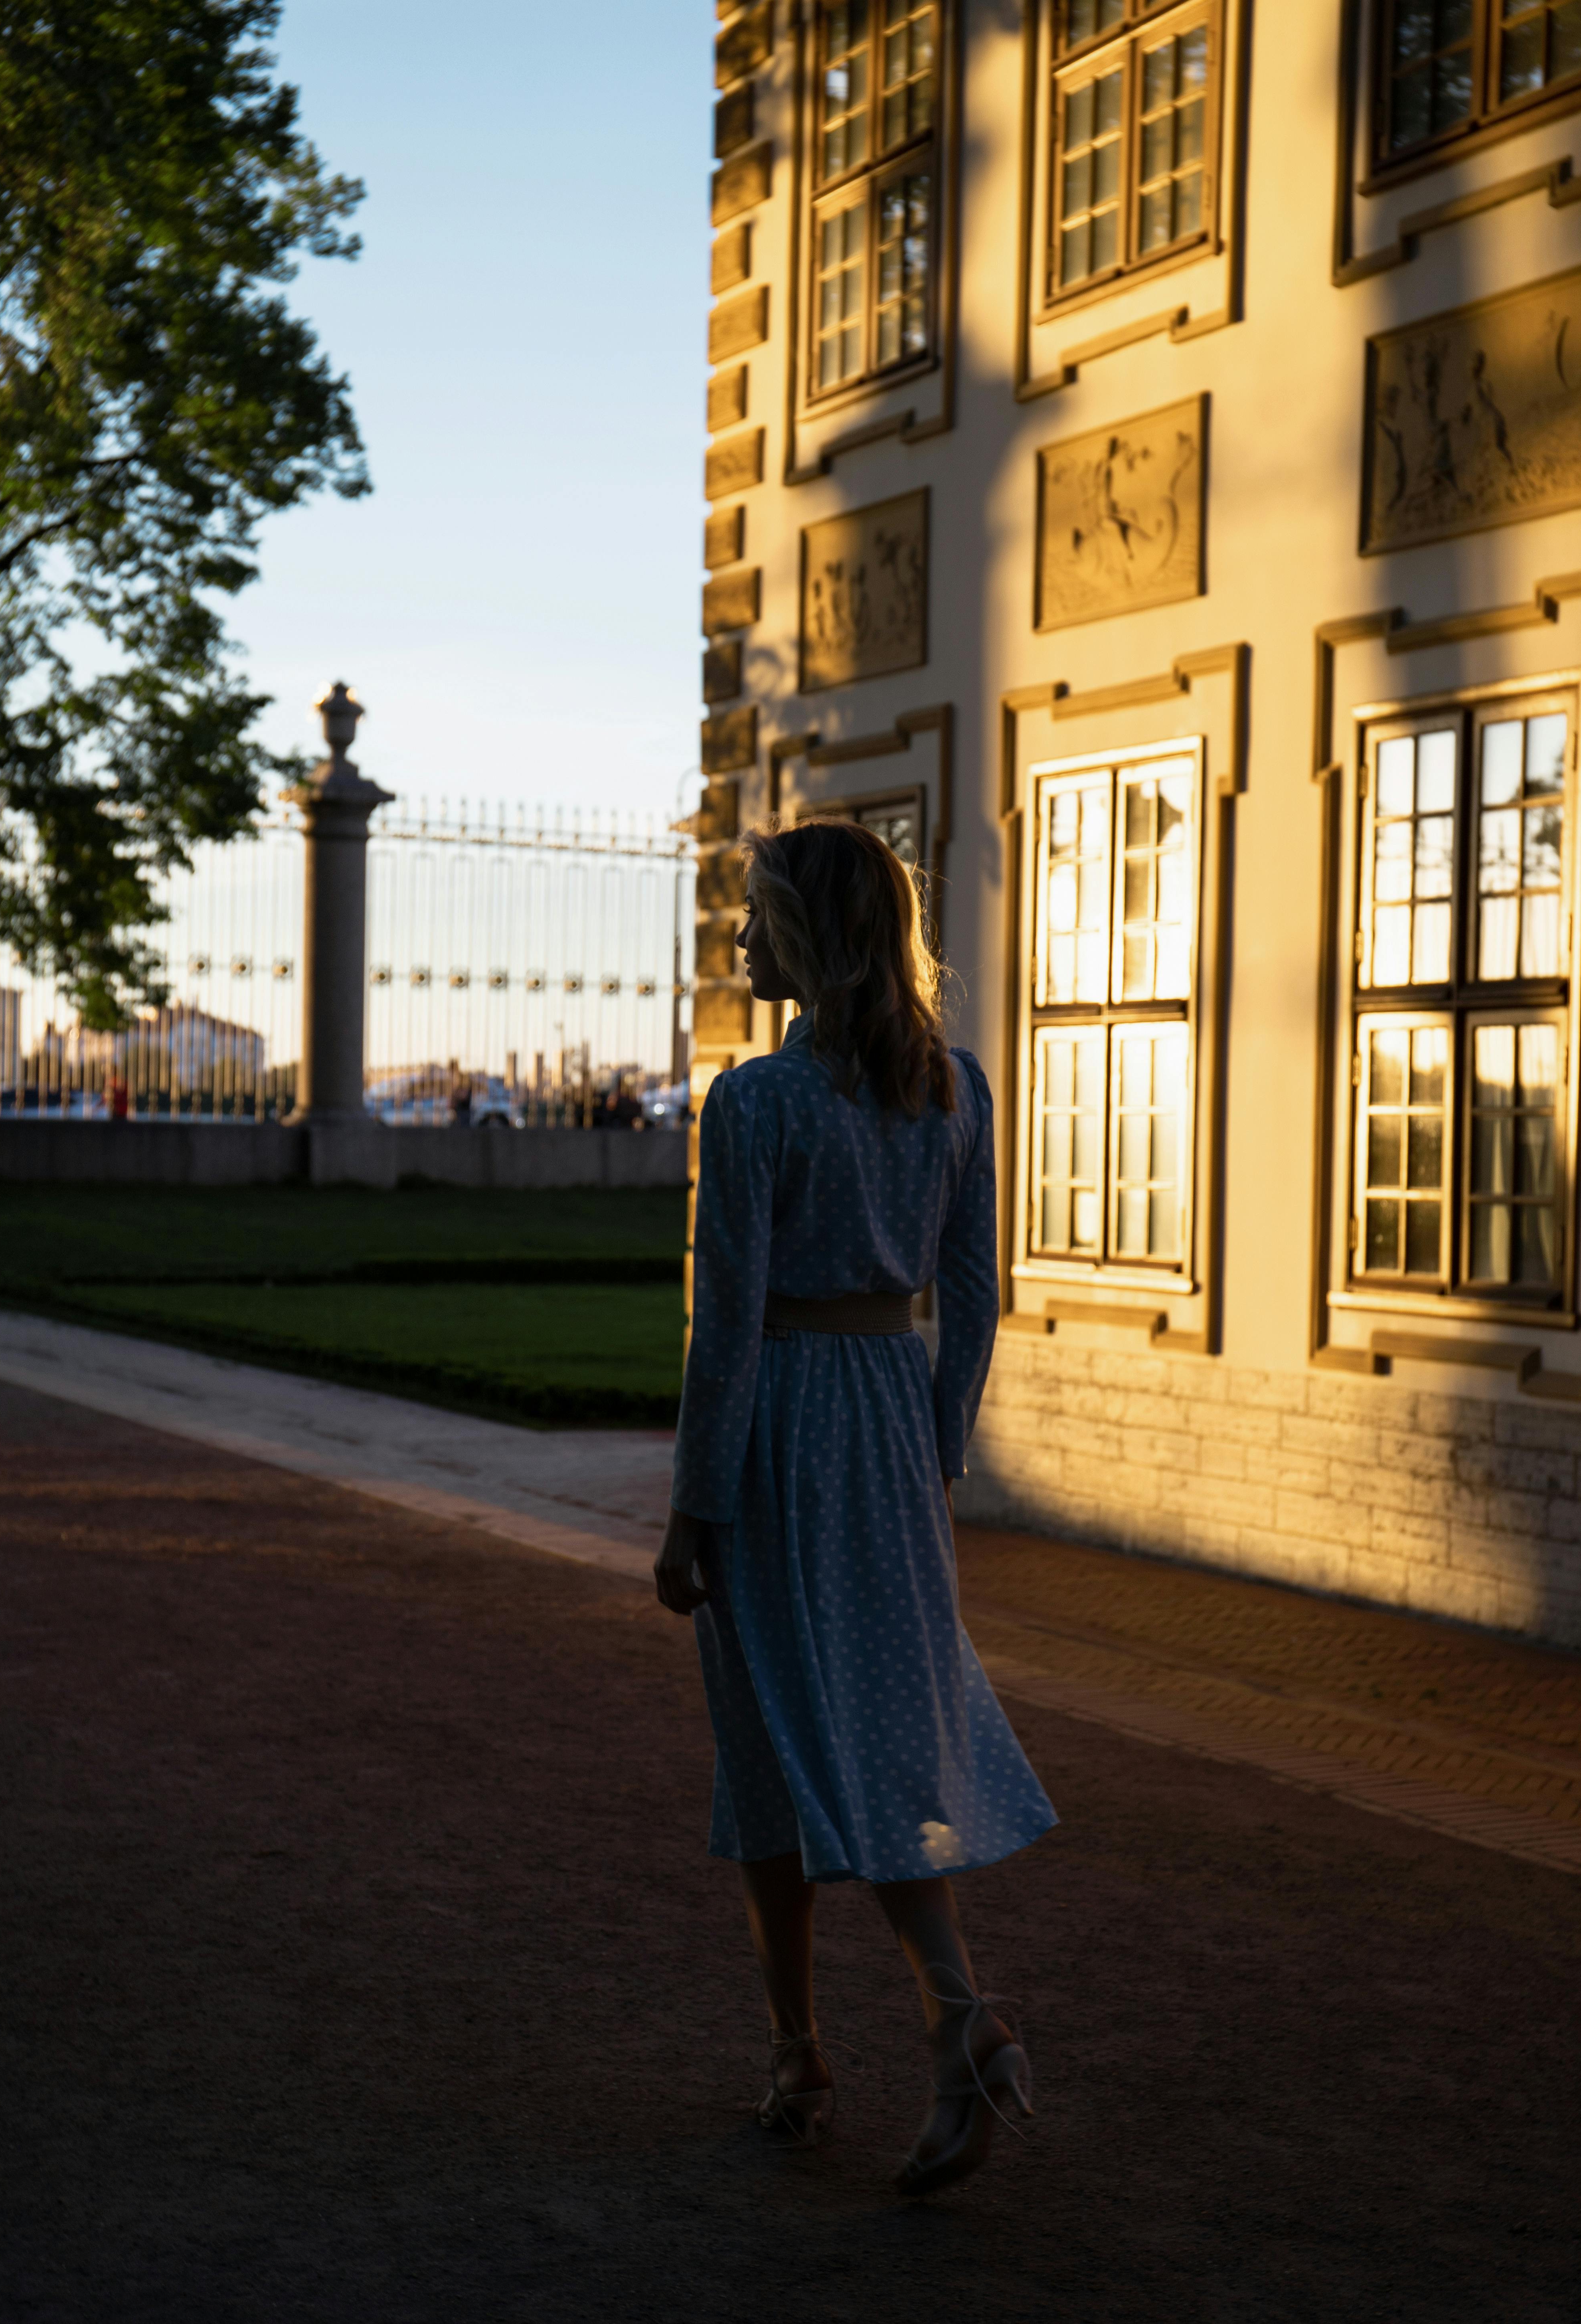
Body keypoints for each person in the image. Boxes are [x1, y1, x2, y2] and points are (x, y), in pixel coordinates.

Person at [655, 818, 1057, 2200]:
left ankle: (938, 2021)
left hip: (781, 1433)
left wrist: (692, 1509)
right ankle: (808, 2051)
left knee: (785, 1738)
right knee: (859, 1726)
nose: (743, 938)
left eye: (759, 917)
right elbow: (976, 1299)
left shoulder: (757, 1104)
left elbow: (726, 1332)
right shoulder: (957, 1088)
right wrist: (933, 1455)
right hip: (889, 1422)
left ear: (810, 936)